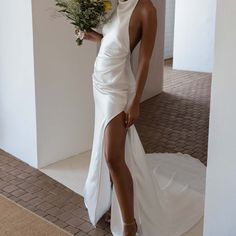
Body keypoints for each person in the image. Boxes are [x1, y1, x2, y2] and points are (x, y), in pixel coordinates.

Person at [82, 0, 206, 235]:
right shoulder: (114, 5)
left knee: (113, 157)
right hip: (100, 81)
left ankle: (129, 224)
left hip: (118, 89)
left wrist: (136, 100)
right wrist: (94, 36)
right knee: (111, 151)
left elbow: (144, 59)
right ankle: (115, 205)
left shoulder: (146, 9)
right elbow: (114, 42)